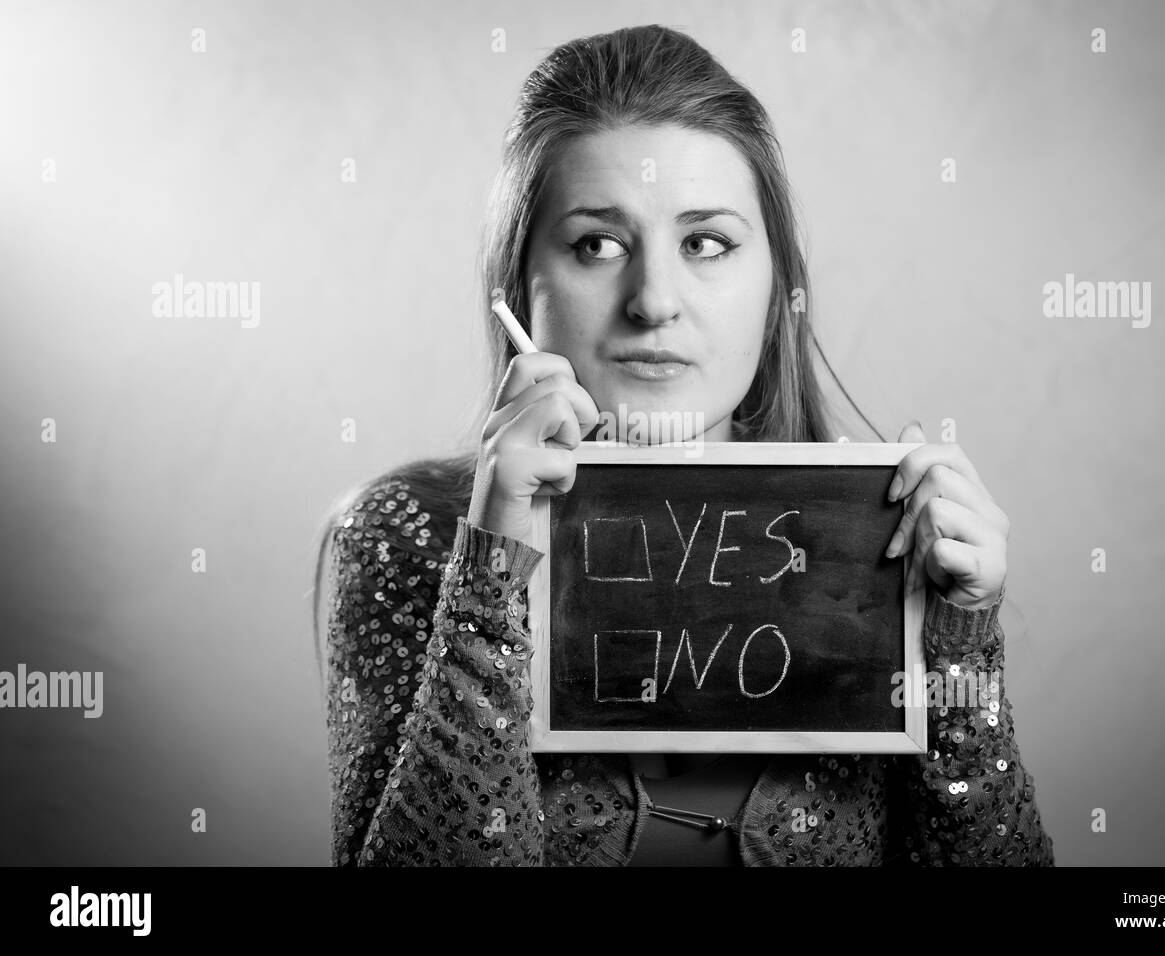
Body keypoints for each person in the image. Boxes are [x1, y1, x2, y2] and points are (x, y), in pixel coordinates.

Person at [312, 23, 1054, 866]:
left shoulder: (879, 537)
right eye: (598, 243)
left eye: (706, 243)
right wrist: (490, 572)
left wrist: (958, 646)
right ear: (519, 286)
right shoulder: (406, 534)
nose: (655, 300)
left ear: (779, 288)